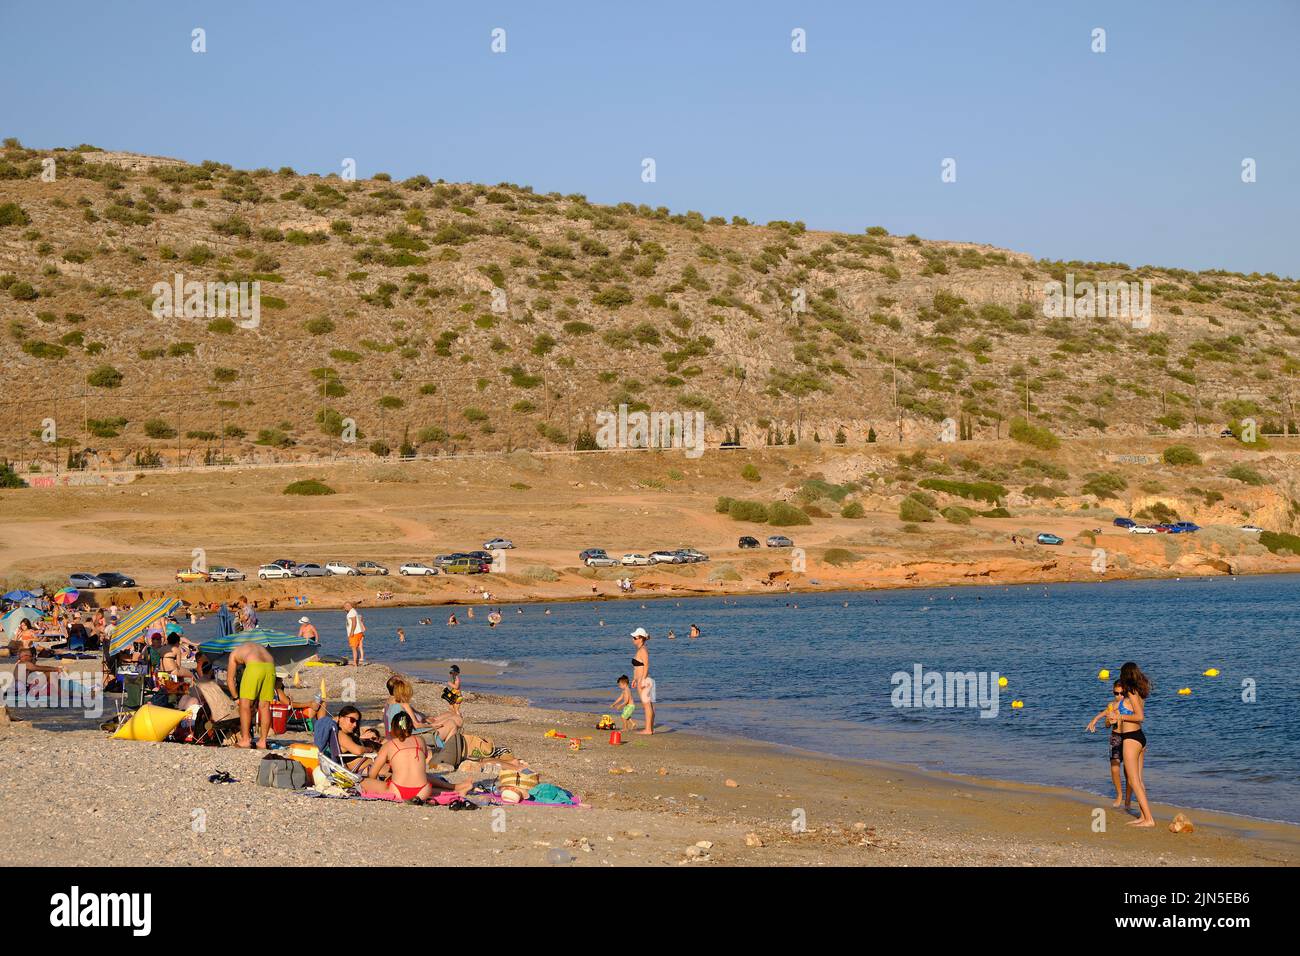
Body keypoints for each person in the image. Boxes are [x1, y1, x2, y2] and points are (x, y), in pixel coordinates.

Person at [360, 711, 467, 802]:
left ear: (393, 728)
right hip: (424, 790)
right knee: (419, 776)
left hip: (398, 791)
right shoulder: (420, 740)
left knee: (363, 782)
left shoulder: (388, 745)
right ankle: (455, 790)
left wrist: (377, 782)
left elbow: (372, 774)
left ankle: (455, 790)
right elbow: (423, 758)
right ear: (411, 727)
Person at [1115, 661, 1155, 827]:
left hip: (1131, 739)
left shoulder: (1131, 692)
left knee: (1133, 781)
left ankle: (1149, 819)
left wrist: (1120, 717)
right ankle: (1143, 816)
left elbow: (1140, 716)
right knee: (1138, 780)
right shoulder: (1139, 692)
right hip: (1139, 737)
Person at [1086, 680, 1129, 810]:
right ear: (1113, 692)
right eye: (1116, 693)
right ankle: (1119, 794)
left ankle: (1128, 799)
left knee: (1128, 770)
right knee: (1114, 767)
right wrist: (1109, 721)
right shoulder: (1111, 705)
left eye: (1122, 693)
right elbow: (1106, 723)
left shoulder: (1129, 704)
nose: (1119, 696)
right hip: (1116, 737)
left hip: (1129, 737)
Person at [225, 641, 276, 749]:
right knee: (265, 706)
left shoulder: (233, 654)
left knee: (245, 705)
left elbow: (230, 679)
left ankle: (245, 740)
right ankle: (262, 741)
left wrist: (236, 698)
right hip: (270, 665)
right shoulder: (255, 646)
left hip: (254, 667)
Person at [312, 701, 378, 771]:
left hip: (367, 764)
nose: (355, 725)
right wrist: (370, 749)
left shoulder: (341, 734)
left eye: (357, 722)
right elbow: (358, 750)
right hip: (365, 767)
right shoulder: (341, 735)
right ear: (341, 718)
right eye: (352, 720)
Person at [630, 627, 655, 735]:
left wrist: (642, 680)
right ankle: (650, 728)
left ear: (640, 638)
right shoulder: (640, 650)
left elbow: (646, 666)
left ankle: (648, 729)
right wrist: (635, 679)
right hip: (641, 679)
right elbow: (638, 667)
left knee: (647, 706)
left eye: (634, 638)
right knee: (648, 705)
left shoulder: (643, 650)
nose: (633, 639)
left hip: (644, 681)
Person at [344, 602, 366, 667]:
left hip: (355, 633)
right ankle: (356, 662)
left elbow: (354, 622)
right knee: (356, 648)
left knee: (354, 648)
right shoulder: (353, 611)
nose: (344, 608)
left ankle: (355, 663)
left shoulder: (351, 612)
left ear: (348, 606)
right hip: (358, 632)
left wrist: (352, 631)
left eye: (345, 607)